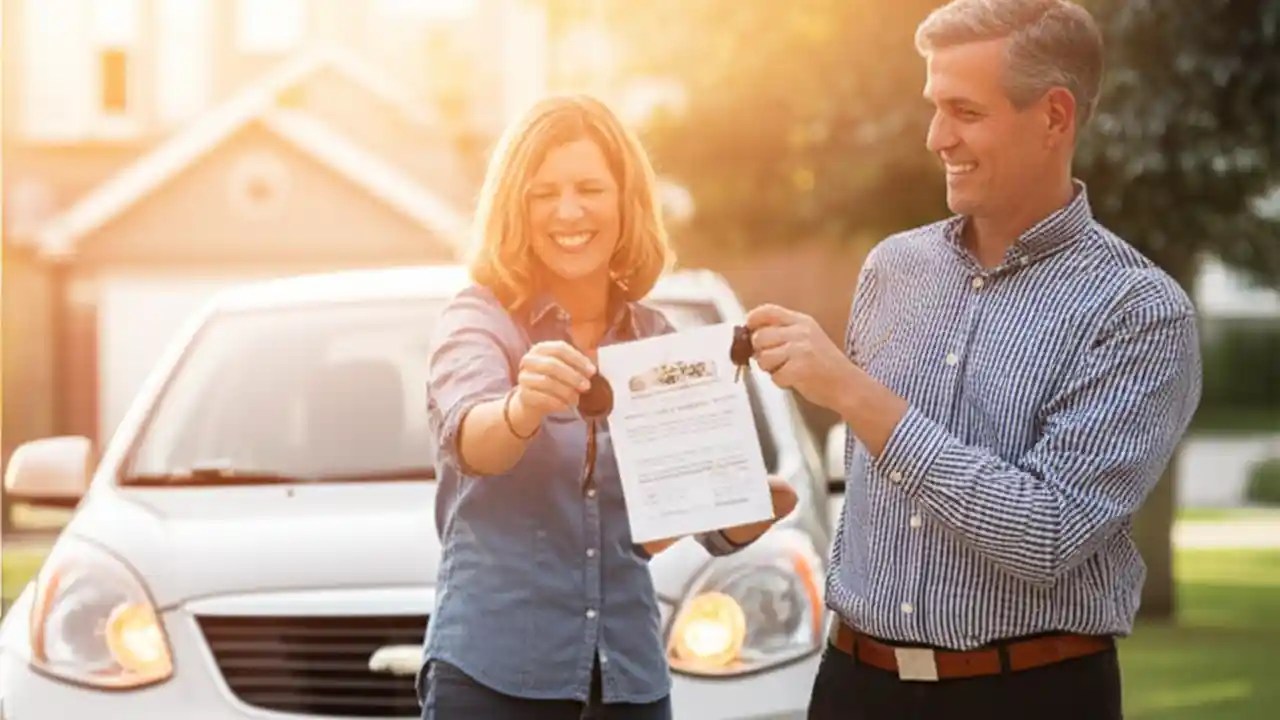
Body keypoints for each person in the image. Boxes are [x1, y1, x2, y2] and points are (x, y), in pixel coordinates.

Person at [744, 2, 1202, 718]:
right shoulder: (893, 268)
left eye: (965, 111)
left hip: (1028, 695)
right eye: (935, 107)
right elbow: (873, 496)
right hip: (854, 685)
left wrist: (852, 392)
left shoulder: (1138, 311)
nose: (937, 137)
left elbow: (1048, 533)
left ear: (1054, 117)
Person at [419, 95, 798, 720]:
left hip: (628, 678)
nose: (568, 211)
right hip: (494, 677)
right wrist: (521, 409)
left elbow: (662, 525)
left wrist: (740, 516)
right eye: (544, 194)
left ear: (626, 202)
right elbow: (472, 440)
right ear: (515, 208)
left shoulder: (657, 340)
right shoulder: (479, 320)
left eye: (590, 189)